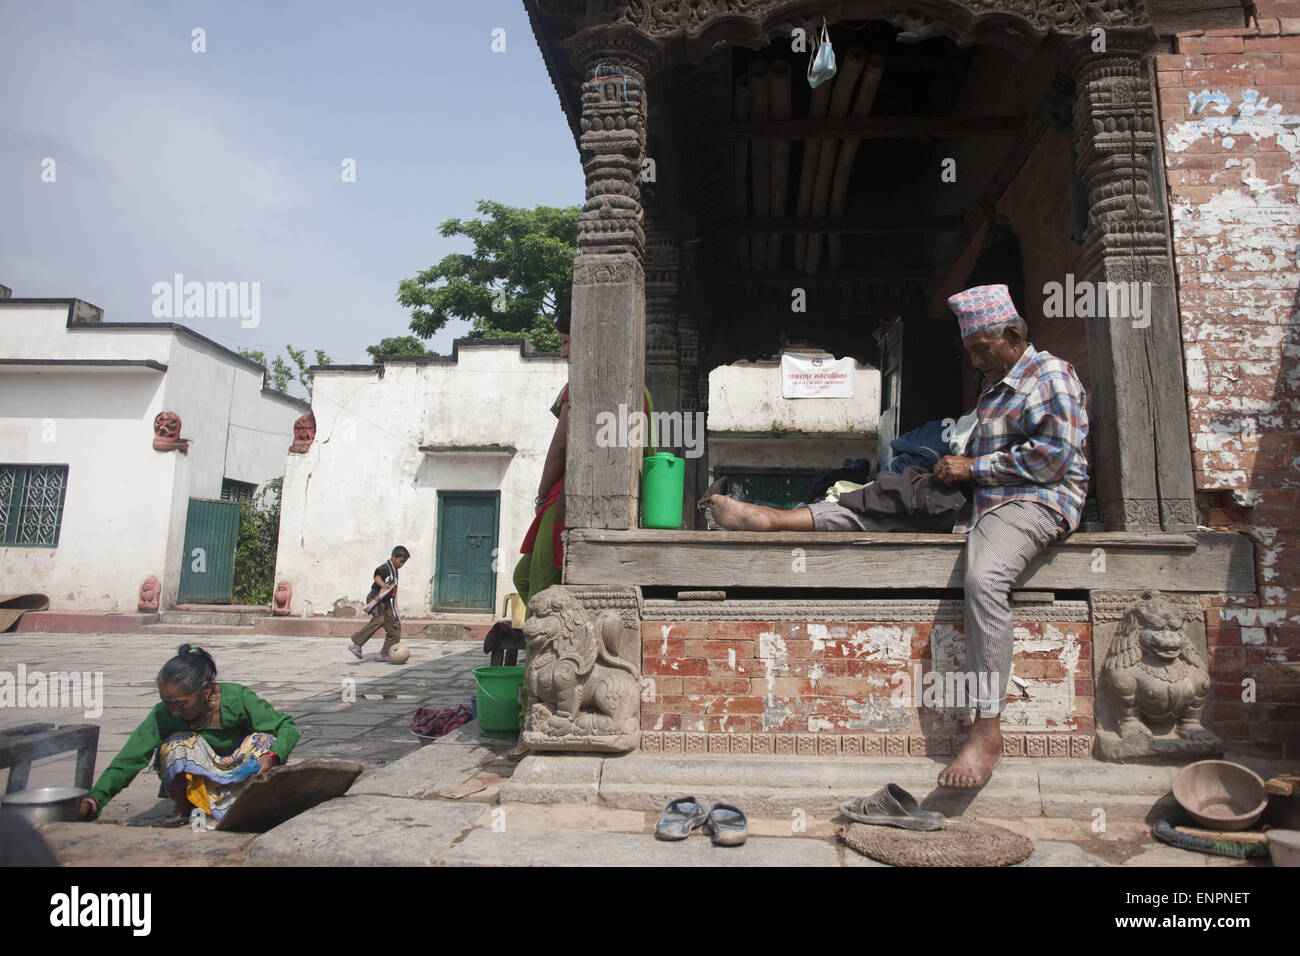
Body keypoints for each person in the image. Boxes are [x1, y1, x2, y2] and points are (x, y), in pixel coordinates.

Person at [708, 284, 1088, 790]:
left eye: (981, 349)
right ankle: (776, 518)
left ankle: (988, 729)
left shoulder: (1051, 374)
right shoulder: (994, 388)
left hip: (1034, 502)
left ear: (1013, 336)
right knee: (883, 501)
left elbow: (1054, 459)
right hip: (978, 500)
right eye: (971, 351)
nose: (975, 360)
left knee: (987, 575)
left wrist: (972, 466)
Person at [78, 645, 299, 824]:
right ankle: (183, 807)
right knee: (175, 744)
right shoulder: (163, 714)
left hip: (239, 772)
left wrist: (271, 756)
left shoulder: (237, 697)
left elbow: (287, 727)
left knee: (264, 740)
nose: (174, 711)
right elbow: (130, 758)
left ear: (205, 689)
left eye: (181, 704)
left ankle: (248, 803)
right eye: (168, 703)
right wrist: (96, 799)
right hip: (200, 775)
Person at [348, 545, 409, 662]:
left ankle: (384, 654)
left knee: (395, 627)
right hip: (376, 599)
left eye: (403, 563)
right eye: (400, 561)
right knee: (379, 619)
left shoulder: (395, 570)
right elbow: (377, 576)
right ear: (393, 557)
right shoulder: (386, 567)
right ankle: (357, 644)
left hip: (386, 602)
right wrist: (383, 585)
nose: (401, 565)